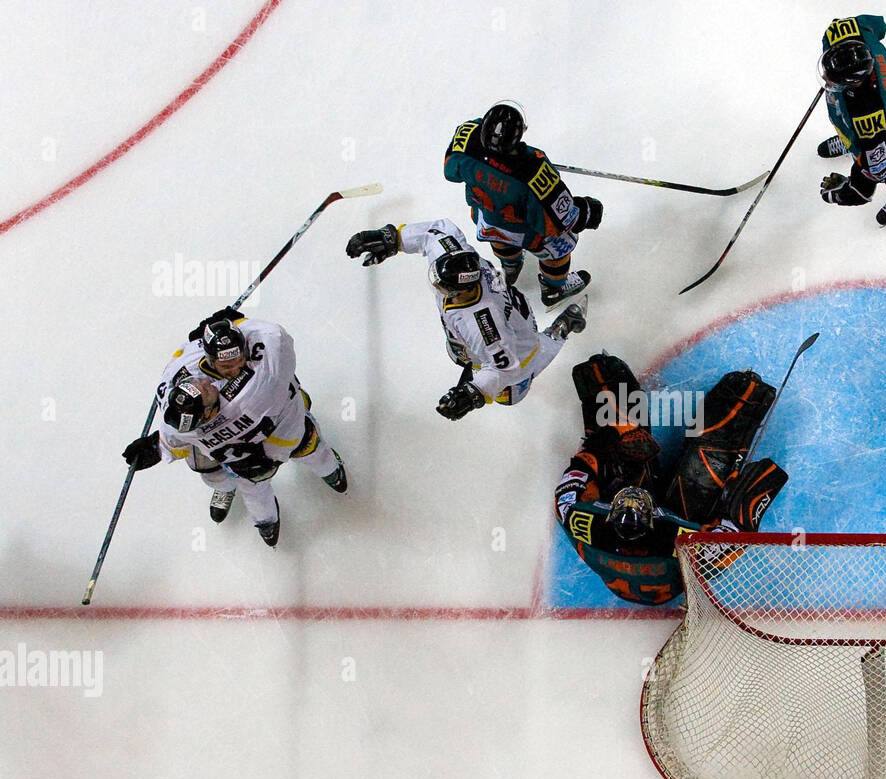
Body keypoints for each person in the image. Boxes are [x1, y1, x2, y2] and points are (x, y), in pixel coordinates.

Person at [554, 354, 788, 605]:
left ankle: (617, 435)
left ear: (610, 516)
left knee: (612, 442)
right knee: (709, 463)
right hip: (669, 571)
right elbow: (733, 540)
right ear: (653, 520)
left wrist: (603, 446)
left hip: (632, 570)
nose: (634, 499)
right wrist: (740, 503)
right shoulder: (680, 545)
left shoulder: (591, 528)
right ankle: (719, 450)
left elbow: (567, 493)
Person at [122, 311, 347, 547]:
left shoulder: (190, 419)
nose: (204, 383)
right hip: (277, 427)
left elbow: (173, 430)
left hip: (263, 438)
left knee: (278, 468)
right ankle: (267, 515)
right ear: (207, 414)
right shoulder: (257, 386)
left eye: (237, 359)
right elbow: (275, 335)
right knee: (274, 466)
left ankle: (314, 481)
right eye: (226, 365)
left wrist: (156, 447)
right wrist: (238, 322)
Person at [346, 218, 585, 420]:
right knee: (467, 356)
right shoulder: (455, 259)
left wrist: (476, 393)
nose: (436, 285)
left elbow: (506, 368)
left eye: (442, 286)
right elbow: (435, 232)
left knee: (512, 391)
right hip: (504, 317)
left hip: (517, 344)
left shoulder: (484, 324)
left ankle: (563, 327)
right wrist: (393, 239)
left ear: (462, 291)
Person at [443, 101, 602, 309]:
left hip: (487, 219)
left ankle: (510, 265)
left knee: (499, 235)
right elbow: (560, 220)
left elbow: (450, 171)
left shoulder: (465, 145)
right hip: (524, 231)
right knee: (560, 246)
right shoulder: (533, 170)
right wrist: (587, 210)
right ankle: (553, 289)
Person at [816, 14, 886, 225]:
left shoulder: (869, 117)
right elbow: (879, 24)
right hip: (876, 120)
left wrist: (843, 193)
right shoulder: (844, 30)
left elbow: (875, 171)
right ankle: (853, 143)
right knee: (860, 138)